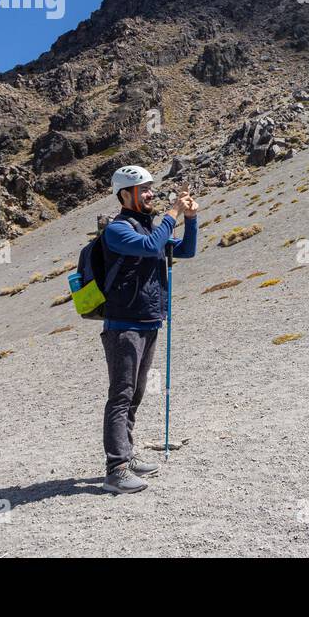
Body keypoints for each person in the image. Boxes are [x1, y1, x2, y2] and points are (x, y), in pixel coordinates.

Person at [100, 165, 198, 494]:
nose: (150, 193)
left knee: (136, 394)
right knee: (121, 395)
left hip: (147, 320)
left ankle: (127, 456)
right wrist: (173, 212)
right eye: (143, 189)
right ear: (125, 195)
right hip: (123, 325)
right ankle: (115, 470)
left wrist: (191, 219)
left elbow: (185, 250)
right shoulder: (117, 230)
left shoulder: (149, 228)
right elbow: (150, 247)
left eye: (151, 188)